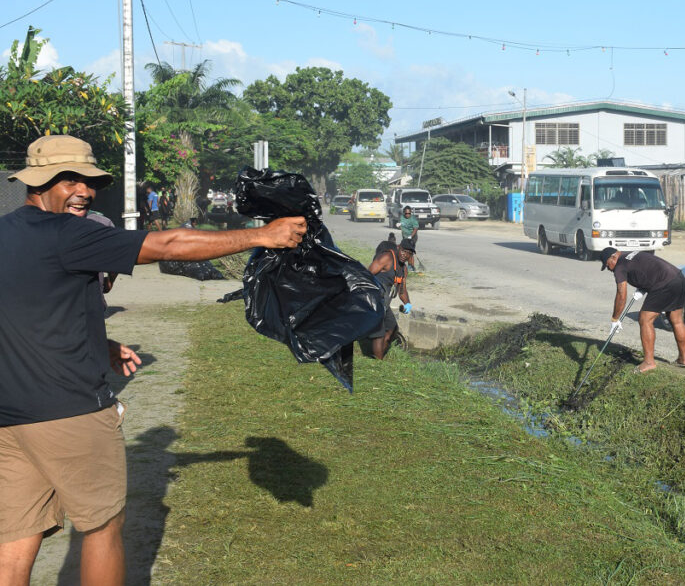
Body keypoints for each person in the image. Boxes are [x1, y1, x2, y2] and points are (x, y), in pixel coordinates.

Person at [0, 135, 307, 586]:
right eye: (69, 180)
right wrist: (263, 235)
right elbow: (169, 245)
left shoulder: (5, 232)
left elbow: (28, 309)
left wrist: (99, 343)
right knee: (102, 528)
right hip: (71, 413)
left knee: (14, 542)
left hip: (10, 420)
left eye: (88, 181)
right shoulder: (70, 234)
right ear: (38, 183)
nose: (84, 191)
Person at [599, 247, 685, 374]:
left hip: (664, 284)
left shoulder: (619, 266)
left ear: (613, 257)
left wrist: (615, 319)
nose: (609, 269)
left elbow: (621, 294)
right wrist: (643, 287)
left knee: (645, 320)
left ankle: (649, 362)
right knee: (677, 320)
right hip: (677, 277)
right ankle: (683, 359)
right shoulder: (630, 254)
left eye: (608, 265)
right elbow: (647, 270)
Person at [366, 237, 415, 360]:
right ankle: (378, 363)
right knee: (379, 334)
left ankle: (378, 356)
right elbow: (366, 275)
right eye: (403, 251)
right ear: (398, 247)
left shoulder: (403, 269)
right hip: (375, 300)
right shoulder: (387, 258)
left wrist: (408, 304)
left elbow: (402, 290)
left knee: (392, 328)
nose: (405, 255)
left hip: (385, 303)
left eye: (409, 253)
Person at [399, 206, 420, 271]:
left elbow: (415, 228)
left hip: (413, 237)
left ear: (411, 213)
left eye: (409, 213)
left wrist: (410, 236)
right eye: (406, 213)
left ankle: (411, 266)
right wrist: (399, 225)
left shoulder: (413, 219)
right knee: (403, 250)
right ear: (404, 213)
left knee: (410, 251)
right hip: (405, 237)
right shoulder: (402, 217)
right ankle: (402, 265)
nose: (407, 215)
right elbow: (401, 225)